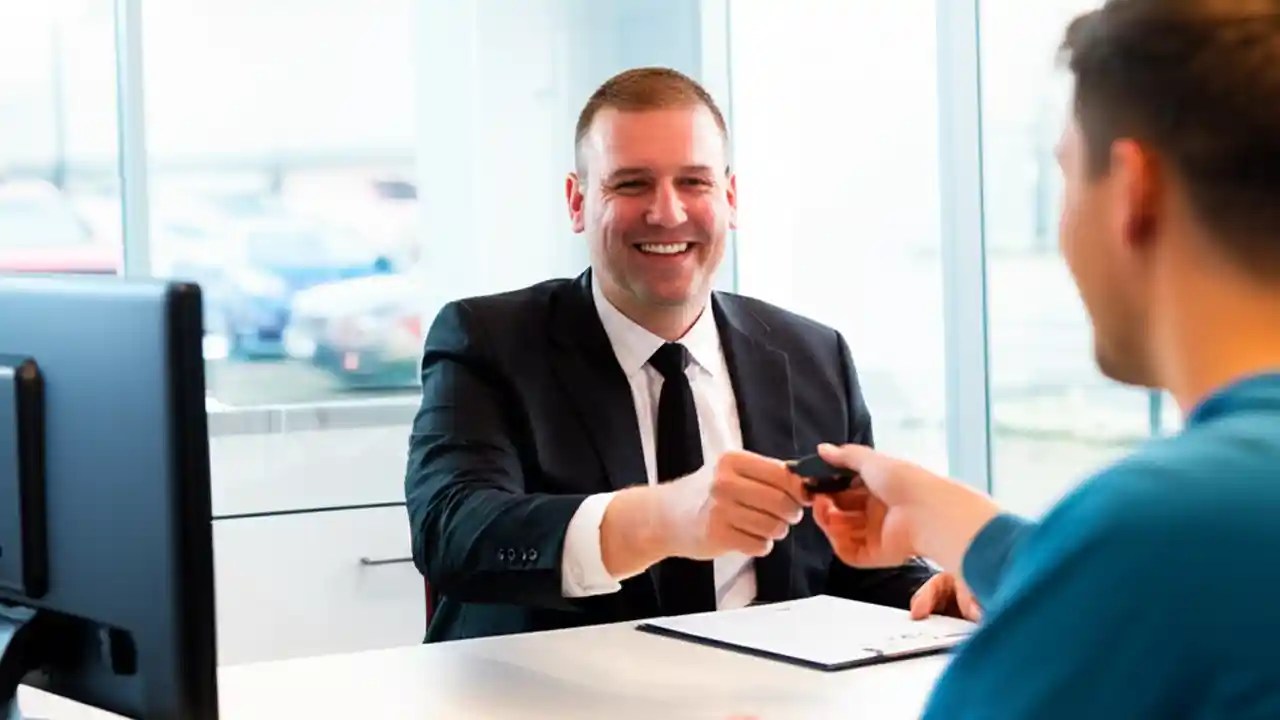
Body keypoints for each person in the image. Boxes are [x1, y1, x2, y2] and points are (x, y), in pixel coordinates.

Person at [800, 1, 1280, 717]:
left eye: (1068, 172)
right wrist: (957, 525)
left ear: (1132, 190)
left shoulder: (1157, 526)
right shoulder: (1192, 532)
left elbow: (1149, 562)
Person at [404, 67, 975, 642]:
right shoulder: (488, 340)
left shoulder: (813, 354)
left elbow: (853, 567)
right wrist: (664, 519)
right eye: (631, 184)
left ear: (729, 198)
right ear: (577, 203)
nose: (668, 213)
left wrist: (928, 598)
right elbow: (452, 531)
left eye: (694, 183)